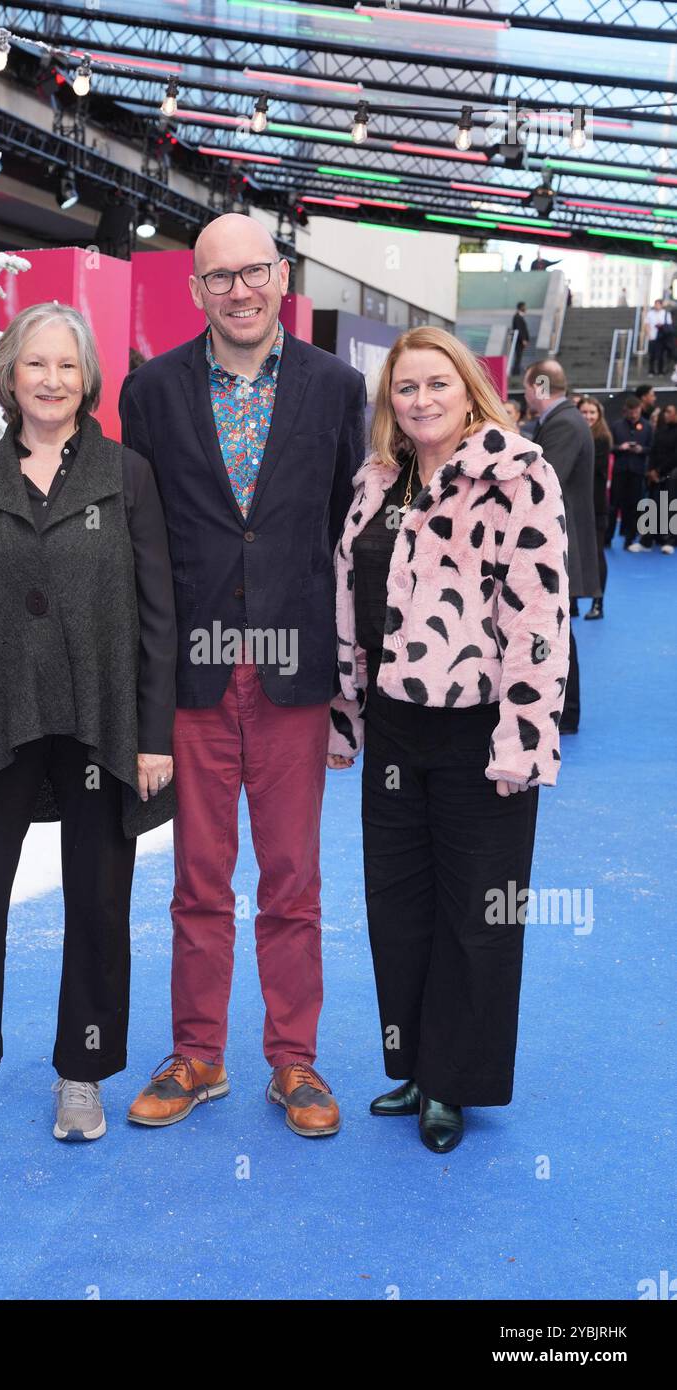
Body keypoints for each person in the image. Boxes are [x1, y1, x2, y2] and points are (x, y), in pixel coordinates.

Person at [0, 303, 178, 1143]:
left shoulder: (127, 477)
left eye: (67, 365)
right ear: (9, 376)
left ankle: (82, 1074)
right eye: (35, 364)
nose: (51, 380)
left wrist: (153, 734)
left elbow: (158, 616)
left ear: (87, 378)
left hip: (100, 721)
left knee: (98, 900)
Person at [118, 213, 366, 1138]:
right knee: (199, 880)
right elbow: (141, 545)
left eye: (254, 271)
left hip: (295, 675)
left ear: (282, 276)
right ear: (196, 291)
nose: (240, 291)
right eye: (219, 277)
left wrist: (349, 688)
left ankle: (294, 1060)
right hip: (194, 675)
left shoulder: (337, 388)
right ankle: (199, 1055)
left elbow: (347, 537)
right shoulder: (150, 393)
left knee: (293, 880)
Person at [327, 326, 570, 1155]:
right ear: (388, 401)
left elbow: (539, 619)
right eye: (406, 387)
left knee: (479, 913)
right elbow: (351, 607)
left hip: (482, 729)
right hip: (396, 727)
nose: (422, 399)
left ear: (470, 389)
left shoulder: (519, 475)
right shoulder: (378, 483)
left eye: (438, 383)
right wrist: (345, 715)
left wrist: (523, 740)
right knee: (399, 909)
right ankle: (414, 1065)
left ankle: (453, 1082)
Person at [523, 359, 599, 733]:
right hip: (559, 541)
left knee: (558, 631)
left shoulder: (564, 424)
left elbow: (542, 481)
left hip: (560, 543)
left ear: (539, 386)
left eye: (526, 387)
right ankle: (563, 710)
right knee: (557, 629)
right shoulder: (562, 420)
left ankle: (566, 712)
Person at [577, 396, 613, 618]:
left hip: (596, 506)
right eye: (584, 412)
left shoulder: (602, 439)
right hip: (576, 505)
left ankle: (598, 604)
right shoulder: (574, 434)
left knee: (597, 554)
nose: (588, 416)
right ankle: (572, 602)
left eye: (592, 412)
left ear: (599, 415)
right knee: (572, 553)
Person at [607, 395, 654, 552]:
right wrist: (620, 447)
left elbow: (652, 448)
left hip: (637, 472)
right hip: (620, 471)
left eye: (636, 411)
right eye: (631, 412)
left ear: (640, 409)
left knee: (634, 506)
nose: (633, 414)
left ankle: (629, 539)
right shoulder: (616, 426)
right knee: (613, 506)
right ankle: (607, 538)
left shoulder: (648, 427)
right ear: (625, 410)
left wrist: (641, 449)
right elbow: (609, 446)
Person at [641, 402, 677, 554]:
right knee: (652, 505)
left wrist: (660, 471)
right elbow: (653, 451)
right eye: (665, 412)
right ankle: (647, 541)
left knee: (671, 506)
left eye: (669, 412)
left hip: (671, 475)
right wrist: (651, 471)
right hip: (655, 475)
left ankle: (670, 540)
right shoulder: (660, 431)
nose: (665, 414)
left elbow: (675, 456)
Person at [645, 300, 673, 376]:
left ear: (661, 305)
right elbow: (647, 324)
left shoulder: (666, 313)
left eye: (658, 304)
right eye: (655, 304)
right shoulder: (650, 313)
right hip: (652, 336)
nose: (656, 306)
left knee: (661, 354)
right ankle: (651, 370)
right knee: (652, 355)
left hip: (662, 337)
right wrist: (649, 334)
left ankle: (660, 371)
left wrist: (662, 326)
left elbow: (669, 324)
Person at [511, 301, 529, 377]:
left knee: (519, 357)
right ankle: (515, 373)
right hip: (518, 341)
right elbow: (519, 329)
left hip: (520, 341)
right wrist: (523, 339)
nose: (526, 308)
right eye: (524, 306)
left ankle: (516, 372)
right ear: (521, 307)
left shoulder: (520, 317)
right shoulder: (517, 317)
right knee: (518, 356)